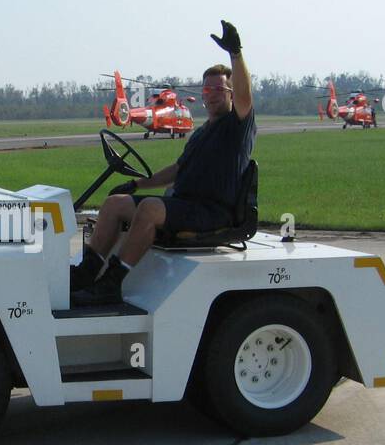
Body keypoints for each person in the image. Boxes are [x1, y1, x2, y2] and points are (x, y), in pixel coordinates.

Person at [71, 19, 256, 305]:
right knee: (115, 203)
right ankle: (86, 273)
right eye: (207, 90)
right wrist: (136, 183)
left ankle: (112, 283)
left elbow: (246, 97)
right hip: (185, 204)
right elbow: (178, 170)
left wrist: (236, 53)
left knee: (150, 208)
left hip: (212, 210)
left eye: (219, 90)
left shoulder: (237, 126)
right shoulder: (201, 133)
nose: (211, 95)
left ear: (231, 94)